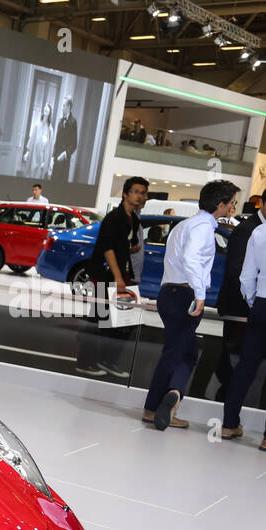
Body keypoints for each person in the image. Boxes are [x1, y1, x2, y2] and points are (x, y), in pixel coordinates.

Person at [145, 179, 241, 430]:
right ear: (220, 205)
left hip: (169, 293)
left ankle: (170, 396)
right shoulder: (203, 228)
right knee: (176, 354)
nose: (233, 208)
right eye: (232, 204)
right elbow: (190, 259)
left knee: (184, 352)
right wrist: (199, 294)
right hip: (184, 296)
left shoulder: (185, 225)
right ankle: (157, 406)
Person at [76, 177, 147, 379]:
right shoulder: (114, 218)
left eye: (143, 192)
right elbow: (107, 248)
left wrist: (130, 249)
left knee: (122, 323)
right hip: (107, 276)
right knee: (99, 320)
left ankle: (107, 360)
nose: (140, 195)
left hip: (123, 276)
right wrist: (118, 277)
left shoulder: (132, 218)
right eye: (136, 191)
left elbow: (121, 245)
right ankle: (85, 361)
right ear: (125, 194)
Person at [219, 202, 266, 447]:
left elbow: (246, 276)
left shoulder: (259, 233)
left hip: (260, 305)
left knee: (245, 367)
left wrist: (253, 301)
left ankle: (228, 425)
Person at [22, 103, 54, 180]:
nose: (46, 108)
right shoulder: (37, 125)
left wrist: (49, 161)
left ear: (50, 112)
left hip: (43, 157)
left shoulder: (50, 129)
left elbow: (50, 147)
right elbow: (32, 140)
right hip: (34, 154)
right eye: (45, 107)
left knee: (39, 177)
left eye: (48, 108)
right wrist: (27, 152)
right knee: (31, 174)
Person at [51, 97, 77, 187]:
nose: (62, 107)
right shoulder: (60, 121)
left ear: (69, 107)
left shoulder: (73, 122)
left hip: (65, 162)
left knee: (61, 187)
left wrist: (66, 154)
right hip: (56, 160)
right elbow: (56, 142)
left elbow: (74, 144)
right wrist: (52, 158)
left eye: (64, 105)